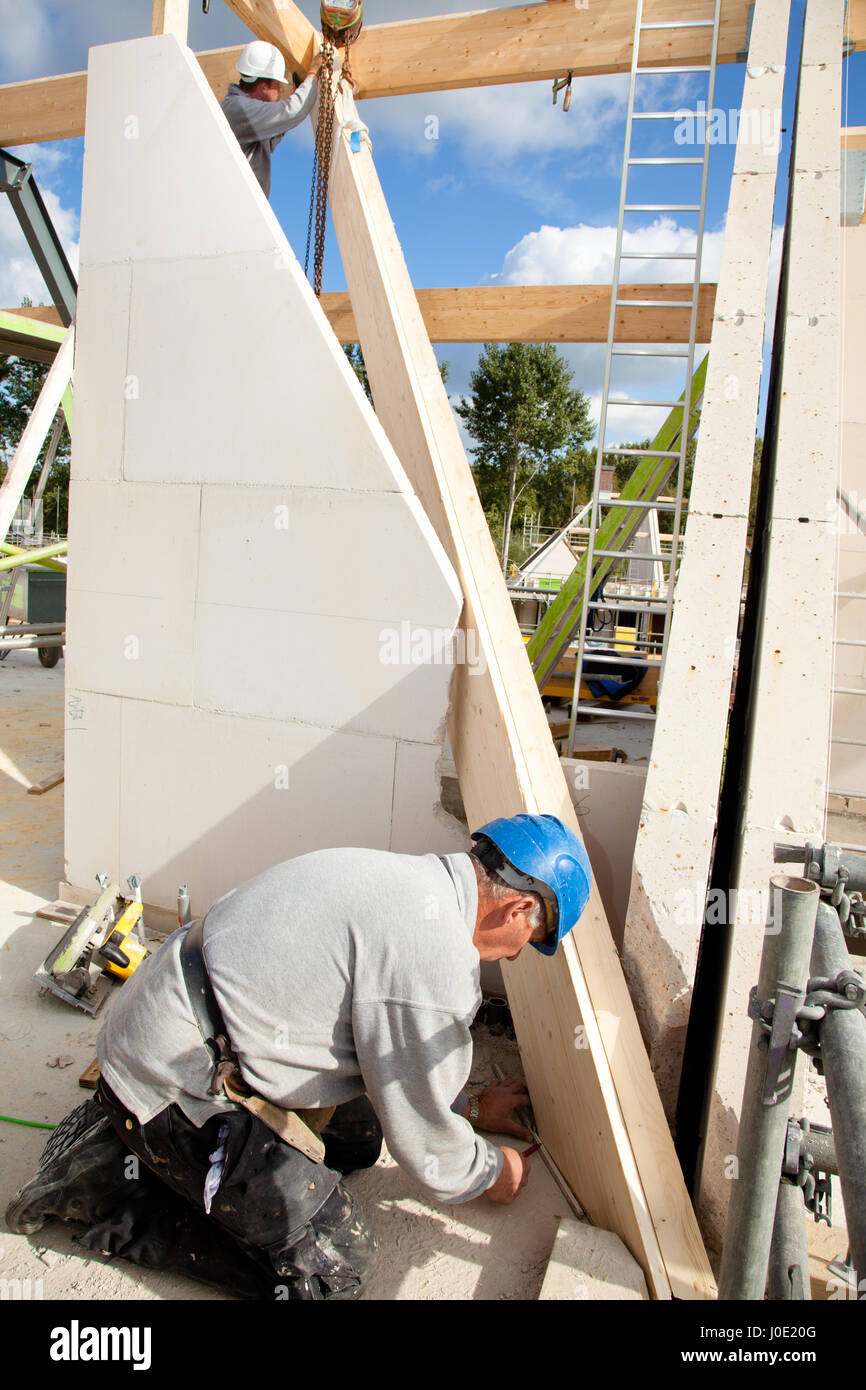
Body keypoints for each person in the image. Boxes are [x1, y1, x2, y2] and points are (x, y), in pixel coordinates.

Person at [6, 814, 591, 1301]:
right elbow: (427, 1149)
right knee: (334, 1266)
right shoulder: (435, 960)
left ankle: (139, 1145)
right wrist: (491, 1171)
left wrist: (461, 1105)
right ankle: (112, 1197)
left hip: (172, 1021)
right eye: (533, 941)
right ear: (516, 910)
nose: (517, 958)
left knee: (359, 1139)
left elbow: (390, 1050)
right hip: (175, 1077)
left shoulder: (416, 881)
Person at [221, 40, 322, 198]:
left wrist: (300, 92)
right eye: (277, 84)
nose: (280, 89)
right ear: (263, 87)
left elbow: (276, 129)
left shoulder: (243, 113)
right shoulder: (238, 109)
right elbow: (291, 112)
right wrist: (313, 73)